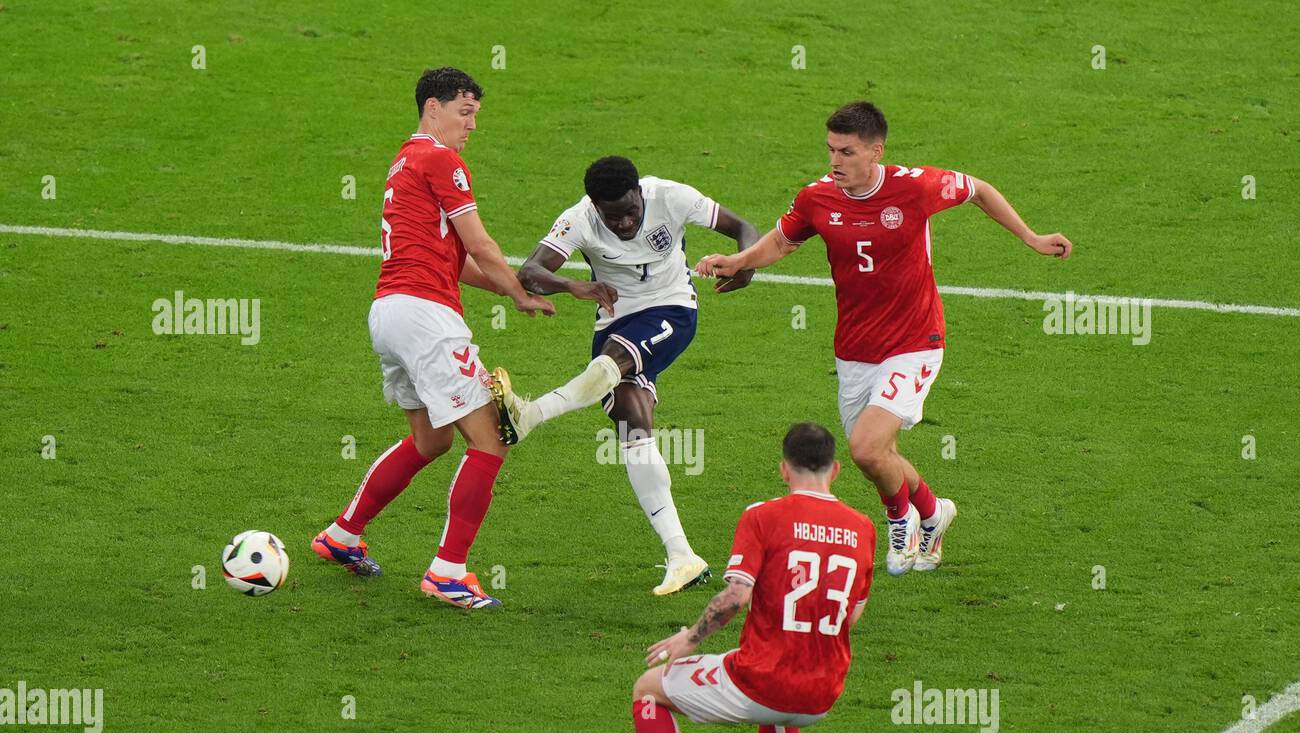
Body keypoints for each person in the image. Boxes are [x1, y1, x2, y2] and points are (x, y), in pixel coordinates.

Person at [696, 101, 1072, 576]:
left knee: (867, 449)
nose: (835, 161)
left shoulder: (914, 187)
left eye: (847, 152)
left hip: (916, 340)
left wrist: (1031, 237)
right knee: (879, 457)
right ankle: (935, 513)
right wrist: (740, 260)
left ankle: (902, 523)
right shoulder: (817, 198)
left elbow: (977, 189)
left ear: (876, 151)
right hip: (855, 348)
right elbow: (783, 241)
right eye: (831, 149)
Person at [311, 66, 555, 609]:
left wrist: (507, 289)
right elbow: (481, 244)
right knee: (490, 439)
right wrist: (517, 292)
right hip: (426, 318)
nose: (471, 126)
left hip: (389, 314)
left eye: (475, 115)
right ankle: (447, 573)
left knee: (431, 440)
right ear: (432, 109)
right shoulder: (443, 160)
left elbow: (457, 261)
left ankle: (341, 536)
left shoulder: (404, 161)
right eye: (464, 113)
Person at [489, 155, 759, 595]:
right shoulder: (579, 218)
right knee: (633, 424)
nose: (624, 222)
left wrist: (745, 263)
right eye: (612, 217)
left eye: (631, 211)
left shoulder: (671, 196)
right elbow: (531, 273)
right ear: (595, 206)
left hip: (673, 307)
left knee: (609, 365)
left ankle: (530, 415)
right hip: (615, 317)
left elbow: (744, 229)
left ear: (640, 192)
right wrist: (574, 286)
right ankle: (682, 556)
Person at [617, 422, 876, 733]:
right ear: (835, 470)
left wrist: (688, 638)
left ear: (783, 470)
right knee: (780, 706)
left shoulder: (763, 515)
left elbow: (735, 596)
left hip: (759, 681)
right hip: (821, 695)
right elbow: (852, 615)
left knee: (648, 689)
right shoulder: (862, 527)